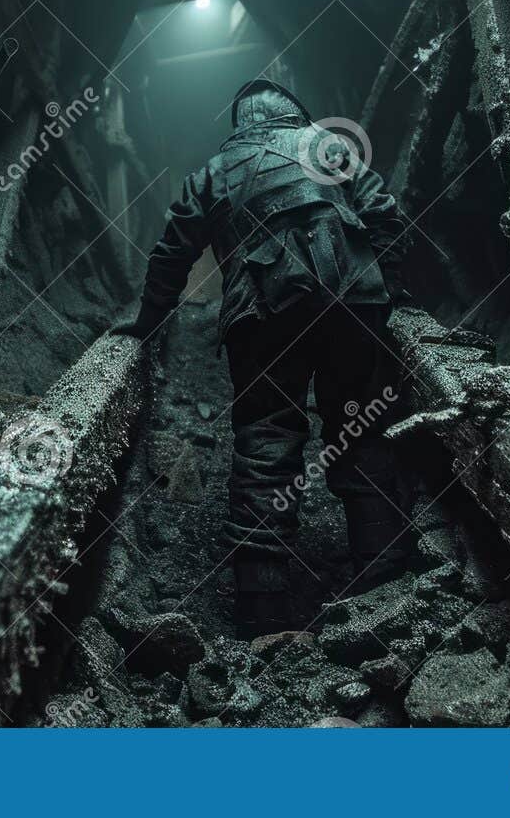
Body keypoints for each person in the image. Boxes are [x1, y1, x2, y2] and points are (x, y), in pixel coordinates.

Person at [113, 79, 412, 638]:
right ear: (295, 116)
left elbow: (172, 252)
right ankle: (384, 586)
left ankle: (262, 609)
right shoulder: (328, 147)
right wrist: (389, 294)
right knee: (361, 428)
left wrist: (148, 324)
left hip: (265, 311)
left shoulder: (216, 169)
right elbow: (387, 218)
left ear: (243, 125)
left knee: (266, 437)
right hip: (355, 303)